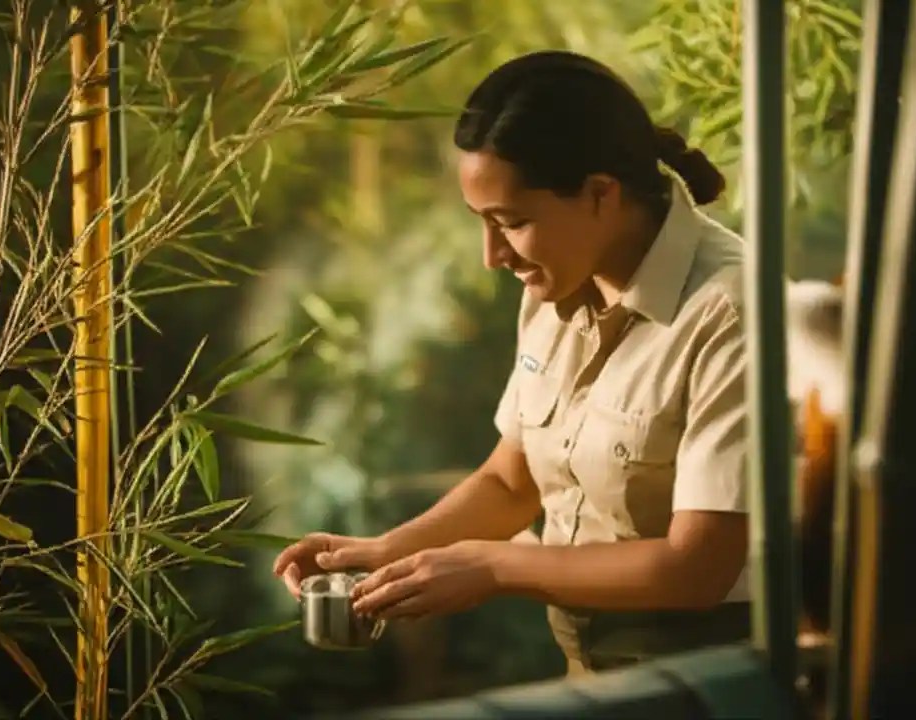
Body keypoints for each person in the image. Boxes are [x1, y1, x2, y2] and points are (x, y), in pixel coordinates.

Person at [273, 49, 752, 675]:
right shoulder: (553, 287)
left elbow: (699, 568)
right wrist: (385, 553)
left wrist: (495, 566)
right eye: (481, 222)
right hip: (590, 669)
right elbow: (511, 482)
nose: (492, 256)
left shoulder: (731, 311)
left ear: (600, 194)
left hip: (704, 678)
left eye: (512, 223)